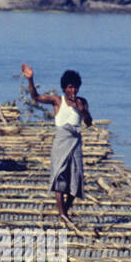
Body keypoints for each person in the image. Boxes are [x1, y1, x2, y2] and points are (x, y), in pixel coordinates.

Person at [22, 63, 92, 220]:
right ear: (64, 88)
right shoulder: (57, 101)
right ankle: (62, 214)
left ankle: (65, 211)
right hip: (61, 142)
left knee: (76, 177)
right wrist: (31, 80)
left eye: (75, 88)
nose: (72, 91)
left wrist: (83, 111)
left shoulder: (82, 102)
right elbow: (36, 97)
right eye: (69, 87)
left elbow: (88, 122)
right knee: (59, 176)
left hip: (75, 143)